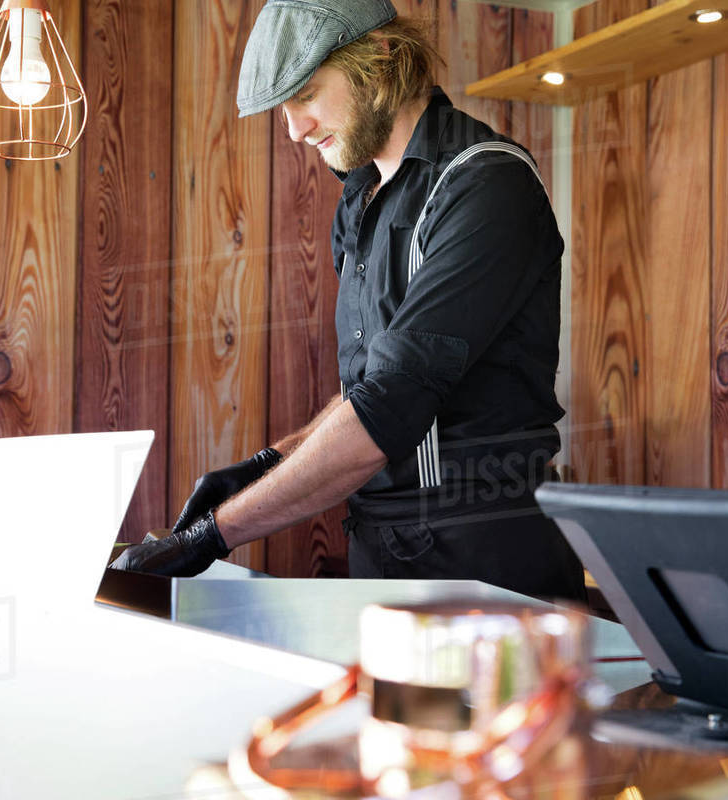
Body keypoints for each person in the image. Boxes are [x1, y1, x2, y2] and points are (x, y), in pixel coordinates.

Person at [111, 0, 586, 602]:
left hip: (483, 564)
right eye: (286, 106)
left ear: (381, 57)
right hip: (379, 554)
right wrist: (266, 465)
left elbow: (391, 405)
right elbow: (366, 388)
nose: (294, 128)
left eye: (306, 93)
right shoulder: (360, 199)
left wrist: (216, 533)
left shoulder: (486, 183)